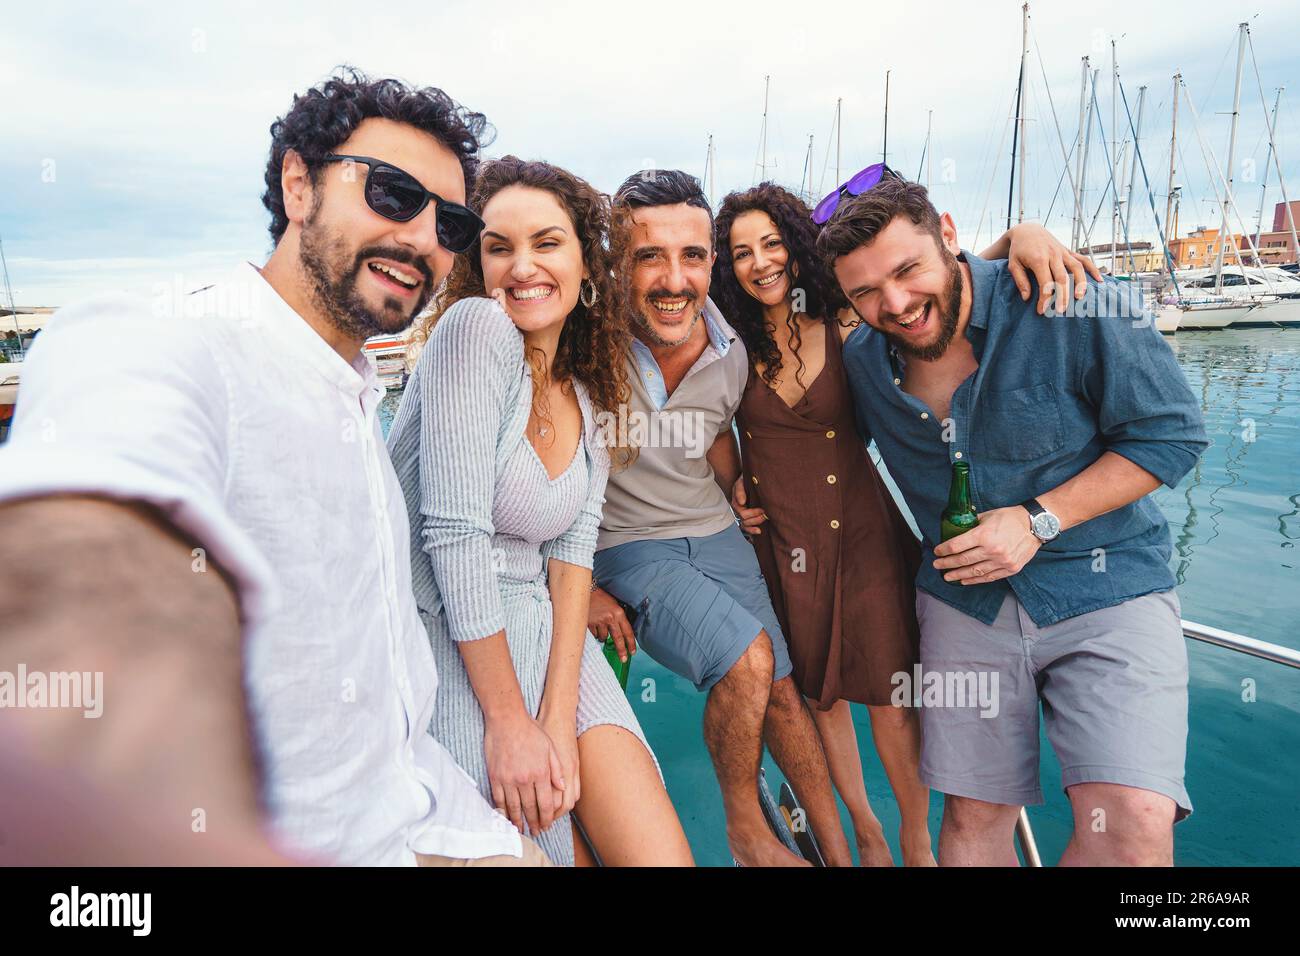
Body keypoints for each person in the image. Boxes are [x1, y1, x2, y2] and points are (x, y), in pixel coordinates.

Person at [0, 70, 549, 866]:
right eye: (392, 195)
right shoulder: (174, 338)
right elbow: (93, 532)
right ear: (299, 185)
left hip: (426, 807)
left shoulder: (356, 392)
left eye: (453, 224)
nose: (425, 238)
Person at [820, 176, 1209, 866]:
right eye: (866, 294)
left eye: (908, 271)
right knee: (971, 823)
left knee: (1134, 822)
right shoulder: (861, 362)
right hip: (963, 603)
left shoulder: (1071, 302)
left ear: (947, 232)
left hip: (1110, 588)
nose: (897, 304)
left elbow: (1171, 435)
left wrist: (1038, 521)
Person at [710, 178, 1100, 866]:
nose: (760, 261)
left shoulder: (850, 319)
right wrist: (729, 488)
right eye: (741, 251)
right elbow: (705, 421)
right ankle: (865, 832)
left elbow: (934, 292)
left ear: (796, 247)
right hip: (782, 540)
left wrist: (1024, 234)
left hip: (863, 532)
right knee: (822, 696)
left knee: (893, 694)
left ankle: (916, 838)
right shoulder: (730, 339)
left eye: (772, 242)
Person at [389, 157, 692, 866]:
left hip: (547, 634)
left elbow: (573, 556)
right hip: (446, 635)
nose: (522, 266)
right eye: (499, 248)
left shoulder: (586, 393)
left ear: (587, 264)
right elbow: (455, 537)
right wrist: (509, 723)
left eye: (547, 243)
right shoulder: (473, 331)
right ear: (478, 266)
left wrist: (556, 717)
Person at [582, 169, 850, 866]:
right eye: (649, 256)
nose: (675, 279)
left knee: (785, 696)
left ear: (711, 262)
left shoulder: (733, 348)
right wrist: (581, 586)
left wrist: (734, 487)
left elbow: (714, 432)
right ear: (617, 262)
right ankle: (747, 833)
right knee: (747, 659)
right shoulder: (582, 346)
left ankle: (844, 856)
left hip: (715, 529)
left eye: (693, 256)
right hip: (628, 546)